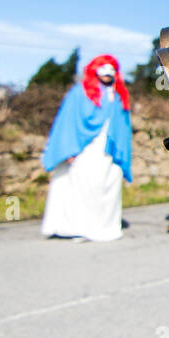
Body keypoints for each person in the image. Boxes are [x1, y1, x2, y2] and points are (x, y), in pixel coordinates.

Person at [41, 54, 133, 242]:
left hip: (109, 150)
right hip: (85, 150)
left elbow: (123, 127)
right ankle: (79, 227)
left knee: (107, 186)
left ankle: (104, 227)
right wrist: (68, 148)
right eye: (103, 68)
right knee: (83, 187)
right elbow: (67, 122)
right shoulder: (79, 92)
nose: (107, 73)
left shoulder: (118, 95)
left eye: (111, 69)